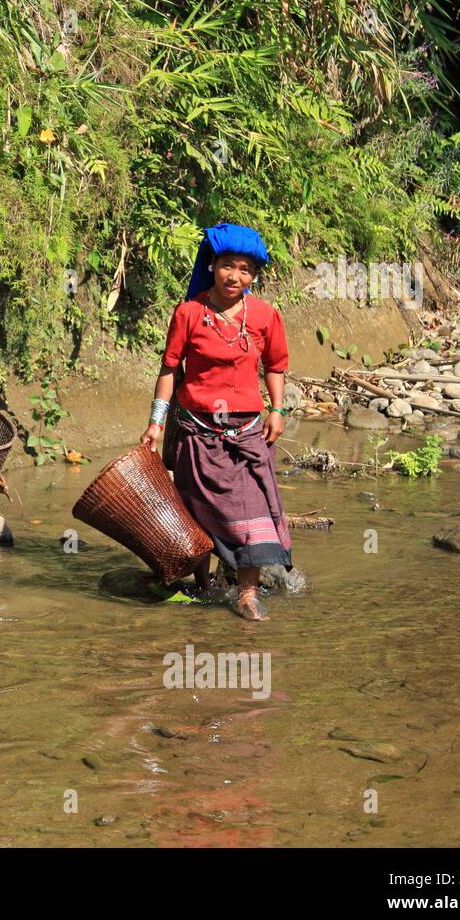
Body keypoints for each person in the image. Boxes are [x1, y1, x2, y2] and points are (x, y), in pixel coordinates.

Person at [140, 223, 293, 621]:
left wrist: (277, 409)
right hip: (196, 431)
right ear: (212, 266)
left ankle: (246, 592)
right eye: (228, 266)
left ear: (254, 276)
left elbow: (275, 366)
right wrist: (156, 422)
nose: (235, 276)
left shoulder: (264, 316)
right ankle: (205, 585)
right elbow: (170, 369)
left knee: (253, 511)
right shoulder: (189, 313)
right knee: (194, 512)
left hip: (246, 433)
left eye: (245, 269)